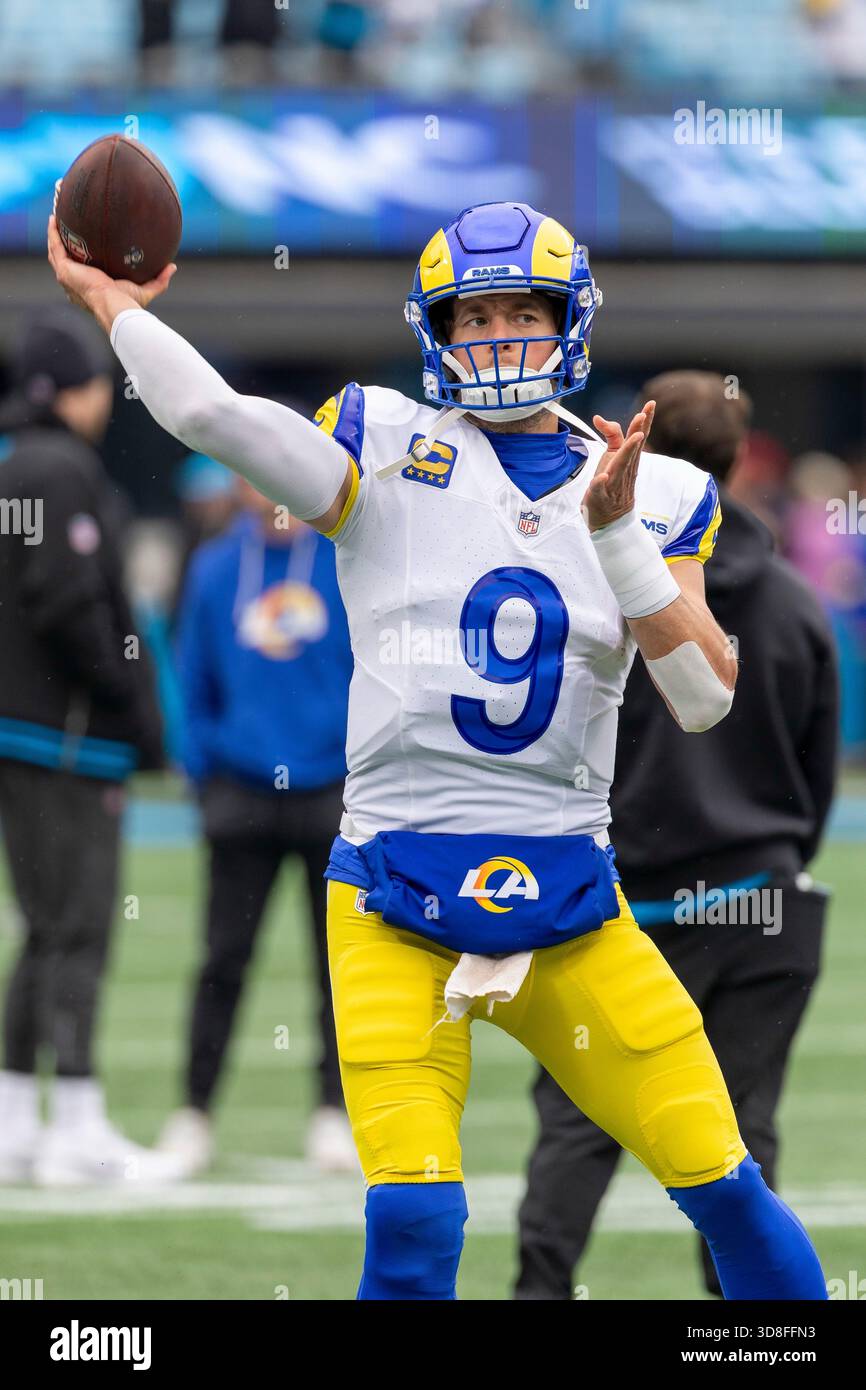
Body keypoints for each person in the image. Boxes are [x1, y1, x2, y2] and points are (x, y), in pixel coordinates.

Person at [47, 198, 827, 1300]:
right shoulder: (380, 443)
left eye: (524, 308)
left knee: (721, 1183)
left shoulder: (651, 490)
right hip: (392, 896)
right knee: (414, 1217)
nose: (499, 333)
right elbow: (216, 416)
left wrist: (614, 543)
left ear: (572, 318)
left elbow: (701, 695)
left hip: (570, 901)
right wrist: (115, 307)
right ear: (433, 331)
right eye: (474, 314)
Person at [515, 371, 839, 1299]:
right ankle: (749, 1329)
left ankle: (538, 1293)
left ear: (633, 454)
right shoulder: (793, 601)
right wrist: (776, 861)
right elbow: (817, 774)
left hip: (621, 896)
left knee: (575, 1127)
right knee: (740, 1133)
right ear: (738, 461)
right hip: (760, 900)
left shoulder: (587, 582)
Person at [0, 307, 178, 1185]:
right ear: (73, 389)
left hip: (26, 735)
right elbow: (70, 605)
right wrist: (137, 712)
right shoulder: (60, 467)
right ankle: (73, 1119)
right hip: (66, 741)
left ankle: (15, 1123)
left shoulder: (12, 464)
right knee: (76, 929)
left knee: (43, 930)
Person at [158, 478, 355, 1174]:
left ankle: (334, 1113)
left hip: (331, 790)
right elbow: (189, 674)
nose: (267, 488)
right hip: (239, 792)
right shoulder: (214, 566)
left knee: (339, 967)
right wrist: (201, 763)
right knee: (221, 961)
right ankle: (193, 1114)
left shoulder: (344, 559)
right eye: (251, 473)